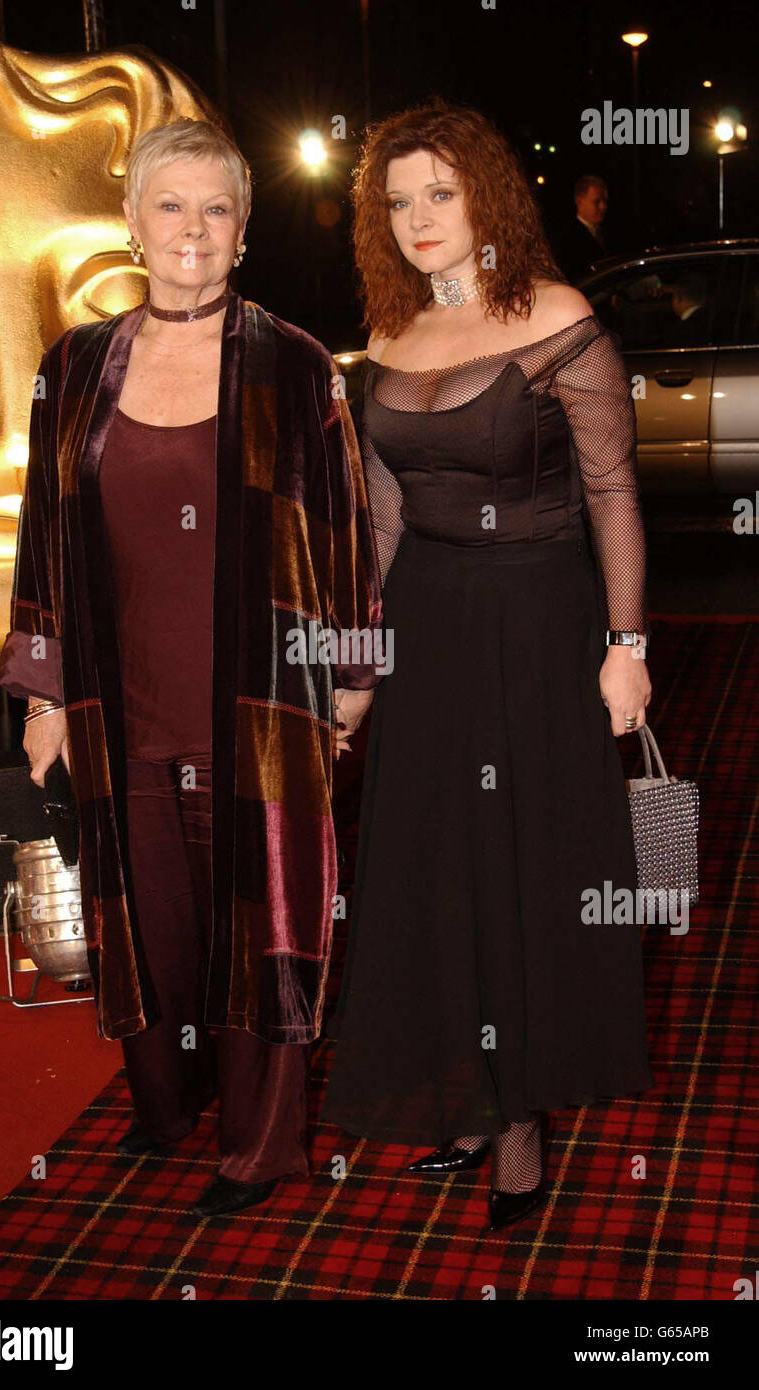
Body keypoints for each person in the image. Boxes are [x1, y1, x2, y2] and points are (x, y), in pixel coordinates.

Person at [0, 117, 383, 1220]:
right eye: (172, 204)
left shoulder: (297, 363)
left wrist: (352, 674)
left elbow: (346, 527)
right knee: (149, 925)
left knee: (265, 924)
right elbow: (42, 532)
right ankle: (167, 1105)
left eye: (218, 209)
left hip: (262, 704)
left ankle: (262, 1147)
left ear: (245, 232)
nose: (193, 229)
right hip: (120, 704)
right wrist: (42, 689)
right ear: (131, 221)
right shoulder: (72, 365)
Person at [322, 102, 653, 1236]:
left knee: (523, 863)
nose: (418, 217)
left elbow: (614, 494)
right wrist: (358, 665)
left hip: (540, 620)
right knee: (434, 861)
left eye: (439, 193)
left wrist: (626, 648)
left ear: (486, 200)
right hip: (428, 628)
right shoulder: (390, 336)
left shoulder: (557, 318)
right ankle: (463, 1087)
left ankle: (520, 1122)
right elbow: (380, 523)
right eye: (398, 199)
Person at [553, 175, 610, 284]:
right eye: (597, 202)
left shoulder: (608, 232)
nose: (603, 207)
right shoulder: (567, 239)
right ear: (580, 202)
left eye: (605, 201)